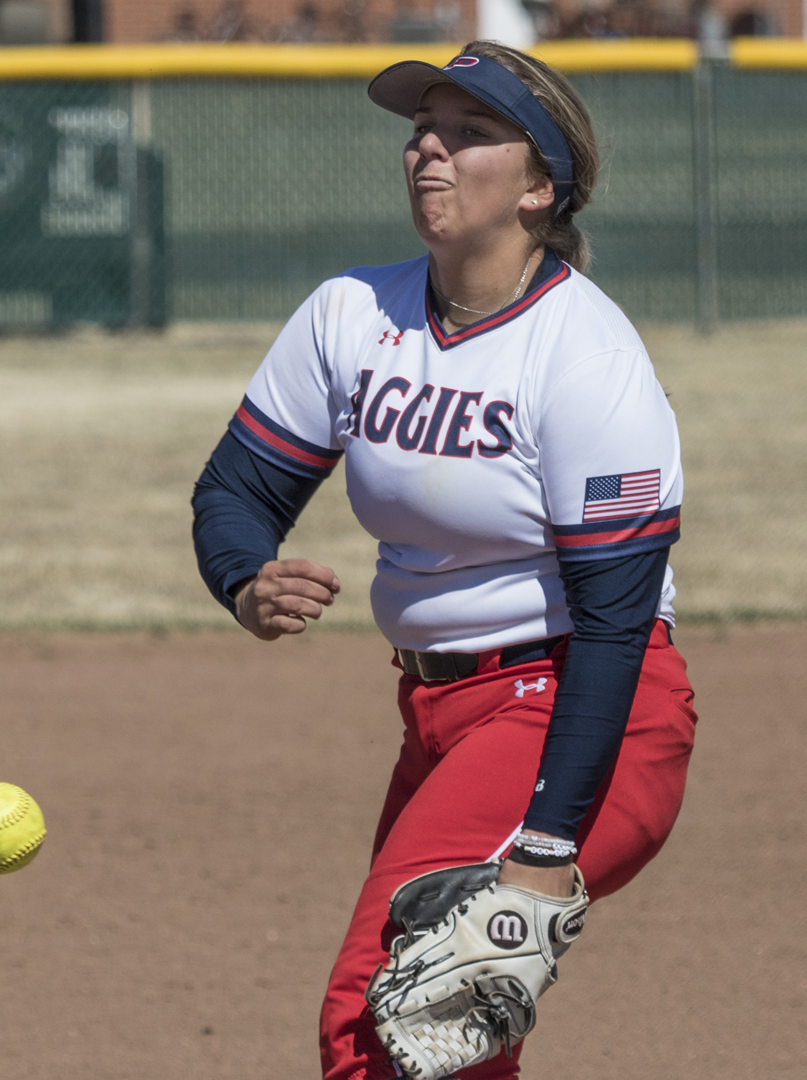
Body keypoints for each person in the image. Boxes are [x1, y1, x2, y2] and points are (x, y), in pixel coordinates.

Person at [191, 41, 696, 1080]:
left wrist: (549, 847)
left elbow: (613, 620)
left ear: (540, 188)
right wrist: (245, 576)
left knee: (379, 1017)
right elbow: (236, 491)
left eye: (470, 134)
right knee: (444, 1034)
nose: (430, 149)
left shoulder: (586, 356)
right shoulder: (352, 314)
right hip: (442, 720)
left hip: (584, 709)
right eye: (425, 127)